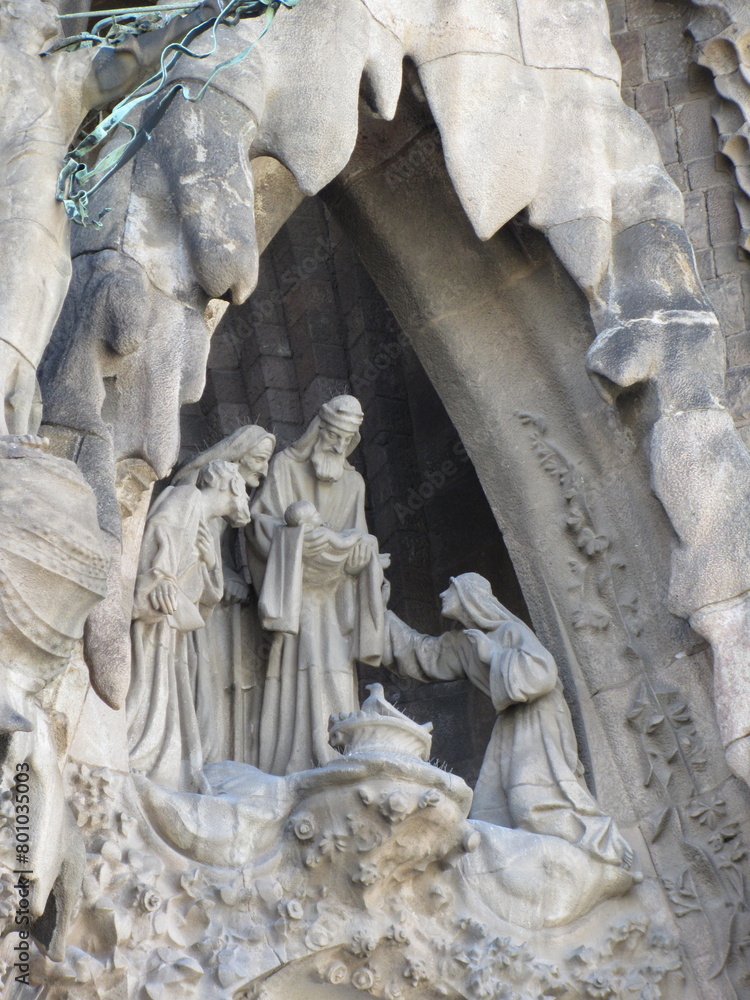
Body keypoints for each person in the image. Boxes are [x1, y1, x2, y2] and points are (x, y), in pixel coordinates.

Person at [0, 0, 221, 437]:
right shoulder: (12, 65)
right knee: (16, 285)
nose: (46, 9)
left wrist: (194, 20)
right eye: (30, 3)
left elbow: (125, 64)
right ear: (8, 15)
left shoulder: (58, 71)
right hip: (14, 206)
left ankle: (13, 414)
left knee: (36, 293)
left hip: (44, 211)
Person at [383, 572, 635, 870]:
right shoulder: (464, 643)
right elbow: (421, 653)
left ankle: (601, 845)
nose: (442, 594)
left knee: (532, 801)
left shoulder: (509, 631)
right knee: (494, 810)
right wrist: (378, 611)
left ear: (469, 597)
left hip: (538, 717)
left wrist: (494, 655)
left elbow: (541, 674)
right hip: (511, 722)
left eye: (451, 588)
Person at [248, 395, 386, 775]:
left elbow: (361, 535)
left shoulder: (354, 482)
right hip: (294, 590)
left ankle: (337, 749)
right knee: (300, 661)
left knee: (338, 671)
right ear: (317, 430)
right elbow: (257, 522)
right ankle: (296, 757)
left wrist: (363, 549)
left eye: (347, 439)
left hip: (336, 596)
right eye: (333, 436)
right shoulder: (285, 466)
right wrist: (294, 538)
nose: (339, 446)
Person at [126, 458, 250, 791]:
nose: (246, 497)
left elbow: (209, 597)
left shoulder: (209, 527)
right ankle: (135, 756)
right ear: (230, 484)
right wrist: (161, 577)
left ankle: (156, 765)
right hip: (158, 612)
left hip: (173, 625)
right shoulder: (186, 497)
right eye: (243, 489)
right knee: (147, 686)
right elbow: (160, 530)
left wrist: (211, 563)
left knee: (165, 692)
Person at [171, 425, 276, 763]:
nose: (264, 470)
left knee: (213, 679)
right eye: (259, 459)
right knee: (198, 675)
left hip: (212, 601)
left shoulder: (230, 507)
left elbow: (221, 557)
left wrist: (225, 575)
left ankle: (213, 751)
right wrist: (218, 575)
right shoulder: (192, 492)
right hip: (188, 603)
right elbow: (181, 546)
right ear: (237, 455)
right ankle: (194, 751)